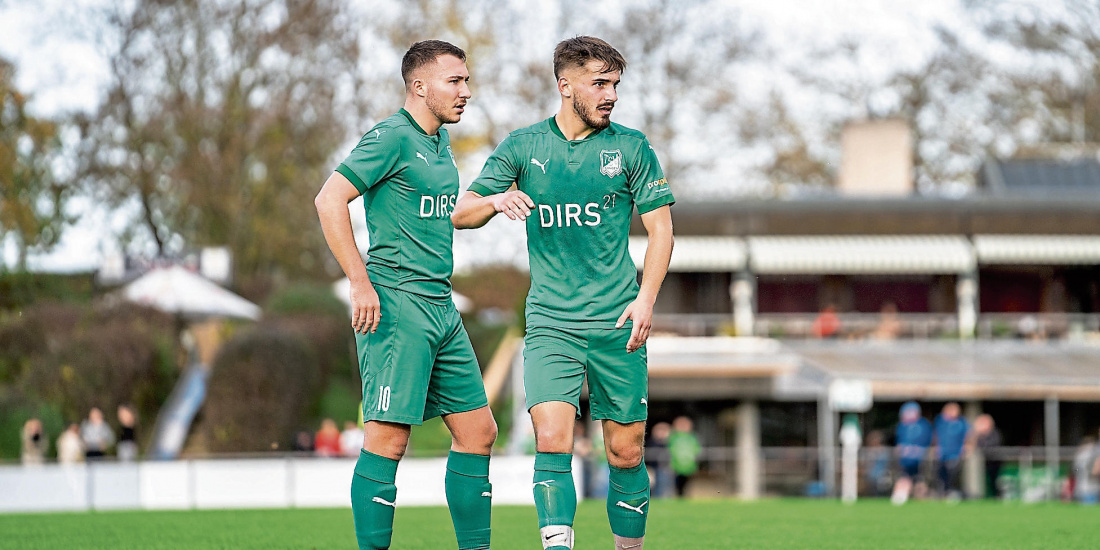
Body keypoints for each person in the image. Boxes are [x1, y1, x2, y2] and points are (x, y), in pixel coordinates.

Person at [452, 36, 675, 550]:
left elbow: (661, 230)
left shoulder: (631, 148)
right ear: (565, 84)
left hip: (618, 323)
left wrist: (646, 300)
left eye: (615, 84)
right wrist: (498, 199)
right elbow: (461, 213)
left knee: (626, 451)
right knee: (553, 440)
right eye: (599, 83)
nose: (610, 94)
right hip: (552, 323)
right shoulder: (524, 147)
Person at [314, 40, 496, 550]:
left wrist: (494, 202)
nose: (465, 91)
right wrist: (359, 279)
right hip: (395, 303)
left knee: (479, 432)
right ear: (419, 86)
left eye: (466, 80)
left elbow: (448, 214)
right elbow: (329, 199)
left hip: (441, 305)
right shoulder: (391, 137)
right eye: (454, 81)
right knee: (389, 440)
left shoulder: (440, 145)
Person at [891, 401, 931, 505]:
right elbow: (899, 440)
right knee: (904, 476)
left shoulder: (923, 425)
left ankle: (921, 498)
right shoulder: (902, 425)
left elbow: (926, 440)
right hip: (905, 460)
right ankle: (901, 495)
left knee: (919, 479)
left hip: (919, 459)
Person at [933, 402, 969, 501]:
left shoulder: (961, 422)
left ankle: (952, 493)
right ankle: (942, 494)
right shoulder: (940, 421)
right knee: (940, 476)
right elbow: (936, 436)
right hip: (942, 455)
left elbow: (969, 436)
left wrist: (966, 448)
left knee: (953, 476)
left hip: (955, 455)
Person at [668, 417, 702, 498]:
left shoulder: (693, 437)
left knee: (687, 484)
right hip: (676, 465)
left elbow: (697, 450)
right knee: (676, 484)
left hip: (689, 465)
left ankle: (684, 496)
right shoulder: (673, 437)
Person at [970, 414, 1002, 498]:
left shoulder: (995, 433)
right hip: (982, 463)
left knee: (994, 481)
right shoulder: (977, 435)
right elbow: (971, 445)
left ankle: (996, 496)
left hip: (994, 462)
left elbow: (993, 445)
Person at [645, 422, 672, 498]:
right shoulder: (650, 442)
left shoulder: (670, 442)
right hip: (651, 468)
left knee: (664, 485)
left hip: (664, 468)